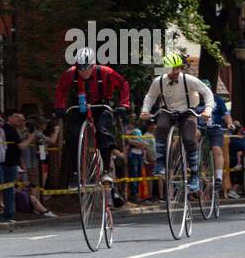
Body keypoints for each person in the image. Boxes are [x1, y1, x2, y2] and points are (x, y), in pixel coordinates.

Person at [53, 46, 131, 188]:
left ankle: (106, 170)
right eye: (80, 68)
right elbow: (60, 88)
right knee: (73, 135)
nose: (83, 72)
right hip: (81, 105)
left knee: (102, 131)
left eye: (87, 68)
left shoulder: (105, 72)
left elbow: (124, 84)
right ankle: (75, 173)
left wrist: (123, 105)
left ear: (93, 65)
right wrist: (60, 107)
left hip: (101, 105)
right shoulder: (71, 73)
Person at [139, 52, 214, 193]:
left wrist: (208, 110)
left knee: (189, 138)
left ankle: (195, 174)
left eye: (177, 68)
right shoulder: (158, 81)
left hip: (187, 112)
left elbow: (207, 92)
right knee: (160, 127)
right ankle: (160, 163)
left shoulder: (188, 79)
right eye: (171, 69)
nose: (175, 72)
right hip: (168, 111)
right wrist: (145, 110)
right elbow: (150, 96)